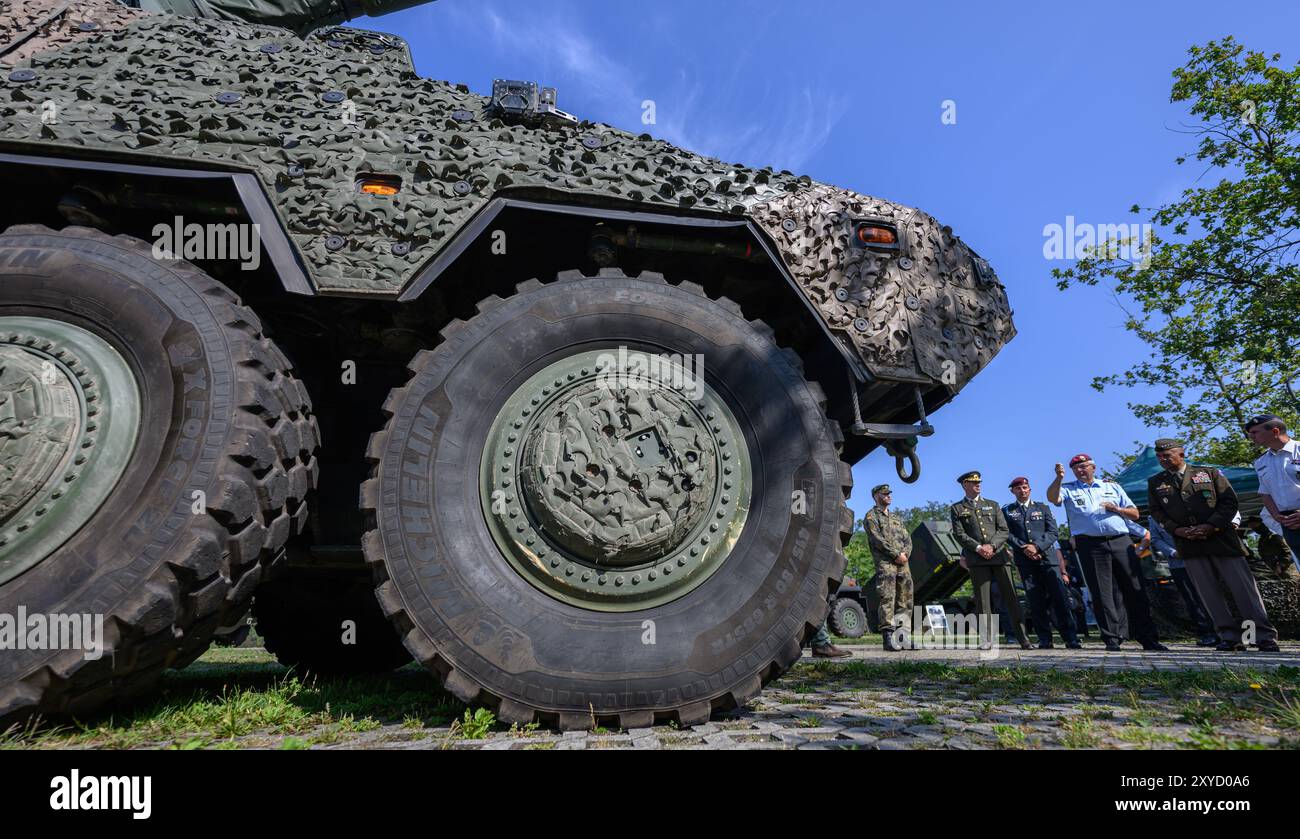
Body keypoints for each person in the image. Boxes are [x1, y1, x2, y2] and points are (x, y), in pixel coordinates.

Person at [1147, 438, 1279, 652]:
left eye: (1167, 455)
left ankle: (1259, 636)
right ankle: (1229, 637)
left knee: (1243, 592)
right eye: (1160, 456)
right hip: (1189, 545)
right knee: (1210, 595)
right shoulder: (1155, 482)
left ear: (1181, 454)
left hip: (1221, 540)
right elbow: (1156, 512)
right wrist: (1177, 530)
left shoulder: (1209, 473)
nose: (1163, 459)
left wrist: (1211, 526)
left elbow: (1229, 502)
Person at [1047, 453, 1167, 652]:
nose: (1080, 470)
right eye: (1076, 468)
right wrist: (1058, 478)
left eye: (1084, 466)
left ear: (1093, 467)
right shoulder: (1068, 489)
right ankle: (1112, 639)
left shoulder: (1112, 487)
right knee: (1102, 593)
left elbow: (1135, 514)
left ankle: (1148, 639)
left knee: (1134, 589)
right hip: (1090, 545)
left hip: (1120, 541)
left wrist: (1116, 509)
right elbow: (1053, 498)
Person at [949, 471, 1031, 649]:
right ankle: (987, 640)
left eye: (979, 482)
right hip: (977, 559)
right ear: (965, 485)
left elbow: (1003, 530)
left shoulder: (993, 505)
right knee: (983, 601)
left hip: (999, 557)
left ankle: (1023, 638)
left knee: (1011, 597)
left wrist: (991, 546)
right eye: (973, 482)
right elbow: (959, 533)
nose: (978, 485)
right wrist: (979, 548)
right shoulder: (957, 508)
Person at [1002, 477, 1081, 648]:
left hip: (1048, 560)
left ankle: (1070, 637)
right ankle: (1045, 638)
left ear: (1029, 489)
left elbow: (1053, 532)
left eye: (1025, 487)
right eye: (1018, 488)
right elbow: (1006, 534)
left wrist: (1037, 547)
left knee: (1060, 599)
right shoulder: (1007, 511)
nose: (1022, 491)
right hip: (1025, 561)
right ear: (1012, 491)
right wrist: (1025, 548)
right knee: (1035, 601)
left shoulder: (1042, 507)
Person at [1149, 515, 1219, 646]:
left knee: (1212, 595)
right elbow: (1155, 539)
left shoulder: (1187, 509)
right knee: (1192, 599)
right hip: (1178, 563)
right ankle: (1207, 633)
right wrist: (1172, 553)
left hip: (1202, 558)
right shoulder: (1153, 517)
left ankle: (1225, 630)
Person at [864, 483, 913, 652]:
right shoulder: (871, 517)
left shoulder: (896, 518)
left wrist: (905, 554)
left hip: (903, 565)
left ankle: (903, 637)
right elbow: (877, 540)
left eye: (889, 493)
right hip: (886, 565)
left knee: (905, 600)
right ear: (876, 496)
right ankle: (888, 638)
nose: (889, 496)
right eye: (885, 494)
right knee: (888, 599)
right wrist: (895, 555)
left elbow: (907, 539)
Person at [1246, 415, 1300, 565]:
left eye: (1255, 432)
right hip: (1288, 522)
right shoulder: (1260, 462)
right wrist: (1277, 516)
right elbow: (1265, 493)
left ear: (1275, 431)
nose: (1251, 437)